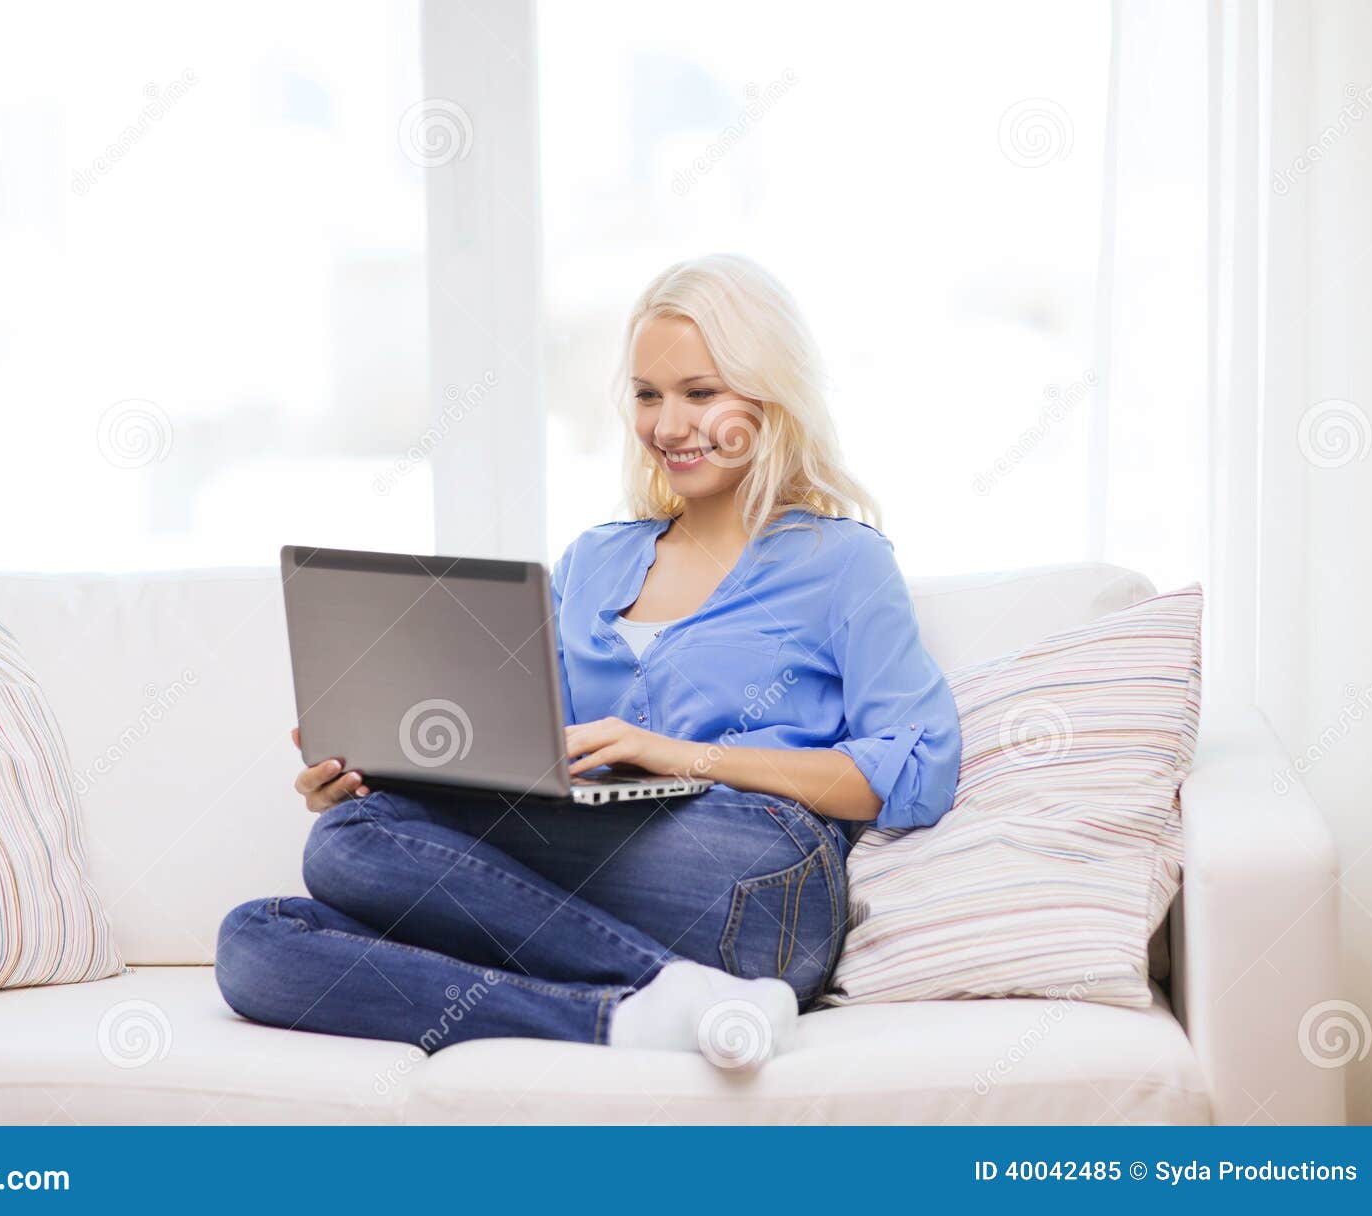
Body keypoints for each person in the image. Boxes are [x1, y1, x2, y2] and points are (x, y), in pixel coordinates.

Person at [215, 253, 961, 1070]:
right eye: (648, 395)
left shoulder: (841, 562)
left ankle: (649, 989)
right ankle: (640, 1013)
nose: (668, 426)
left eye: (700, 393)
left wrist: (688, 758)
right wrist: (386, 771)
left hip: (756, 870)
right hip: (581, 885)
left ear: (768, 398)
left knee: (351, 848)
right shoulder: (594, 563)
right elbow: (532, 771)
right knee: (262, 936)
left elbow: (917, 772)